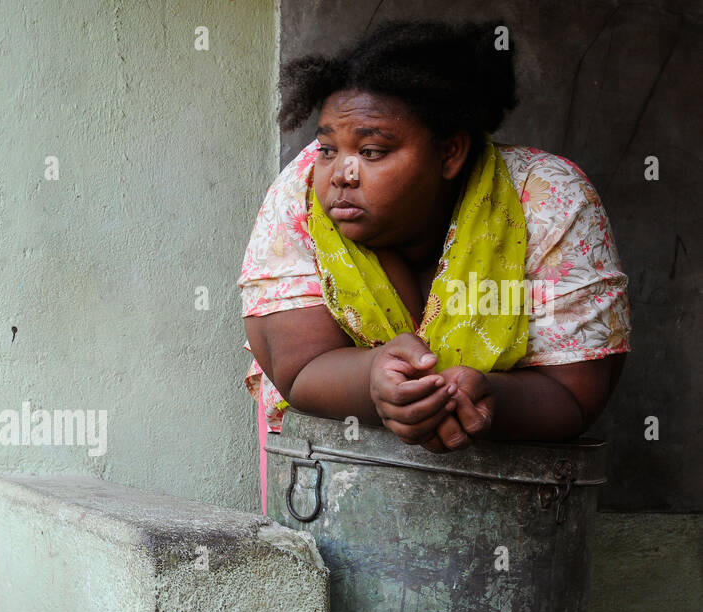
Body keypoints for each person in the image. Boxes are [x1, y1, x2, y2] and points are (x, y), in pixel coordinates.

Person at [238, 19, 629, 477]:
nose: (341, 173)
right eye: (328, 148)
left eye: (372, 152)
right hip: (328, 484)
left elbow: (574, 396)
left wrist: (489, 397)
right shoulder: (302, 194)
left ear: (450, 154)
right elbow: (298, 367)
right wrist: (371, 380)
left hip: (504, 498)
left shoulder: (546, 200)